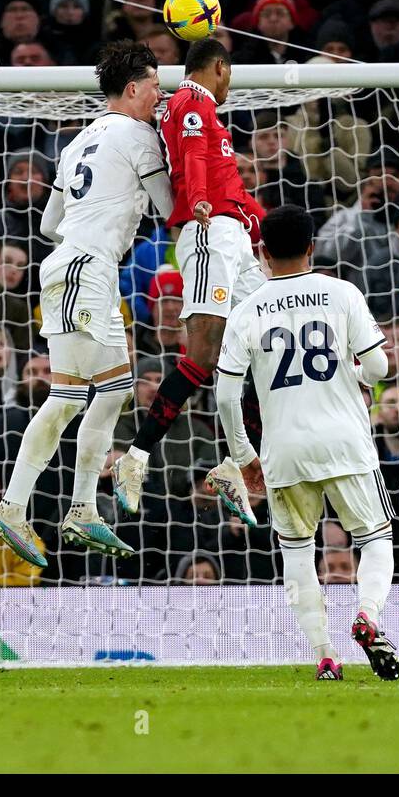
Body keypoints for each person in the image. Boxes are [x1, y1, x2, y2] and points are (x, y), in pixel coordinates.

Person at [0, 41, 172, 567]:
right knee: (68, 398)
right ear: (133, 88)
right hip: (84, 271)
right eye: (156, 85)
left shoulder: (76, 142)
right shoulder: (140, 135)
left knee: (115, 389)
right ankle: (12, 505)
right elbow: (170, 207)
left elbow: (48, 225)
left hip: (86, 270)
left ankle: (84, 507)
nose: (161, 95)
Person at [210, 205, 398, 682]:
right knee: (375, 539)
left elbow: (227, 395)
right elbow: (379, 370)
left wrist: (243, 456)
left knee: (297, 551)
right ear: (312, 247)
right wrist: (349, 374)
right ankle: (368, 616)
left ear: (262, 252)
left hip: (284, 449)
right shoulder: (342, 292)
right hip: (345, 441)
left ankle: (325, 656)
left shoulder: (246, 309)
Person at [113, 38, 266, 515]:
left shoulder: (202, 110)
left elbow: (230, 182)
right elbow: (195, 157)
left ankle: (239, 461)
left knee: (270, 338)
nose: (230, 83)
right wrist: (198, 198)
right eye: (230, 73)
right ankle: (136, 456)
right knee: (203, 354)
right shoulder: (192, 99)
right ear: (219, 67)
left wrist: (265, 225)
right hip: (208, 234)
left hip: (232, 236)